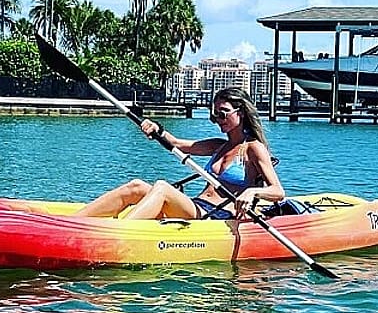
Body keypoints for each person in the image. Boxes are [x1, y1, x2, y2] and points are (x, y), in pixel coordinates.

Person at [74, 87, 285, 220]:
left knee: (163, 188)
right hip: (197, 206)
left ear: (240, 113)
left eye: (222, 114)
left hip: (217, 215)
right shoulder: (218, 145)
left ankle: (117, 236)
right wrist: (156, 127)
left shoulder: (254, 148)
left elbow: (278, 191)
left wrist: (252, 193)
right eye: (214, 116)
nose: (218, 120)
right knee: (136, 186)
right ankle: (73, 223)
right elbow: (176, 143)